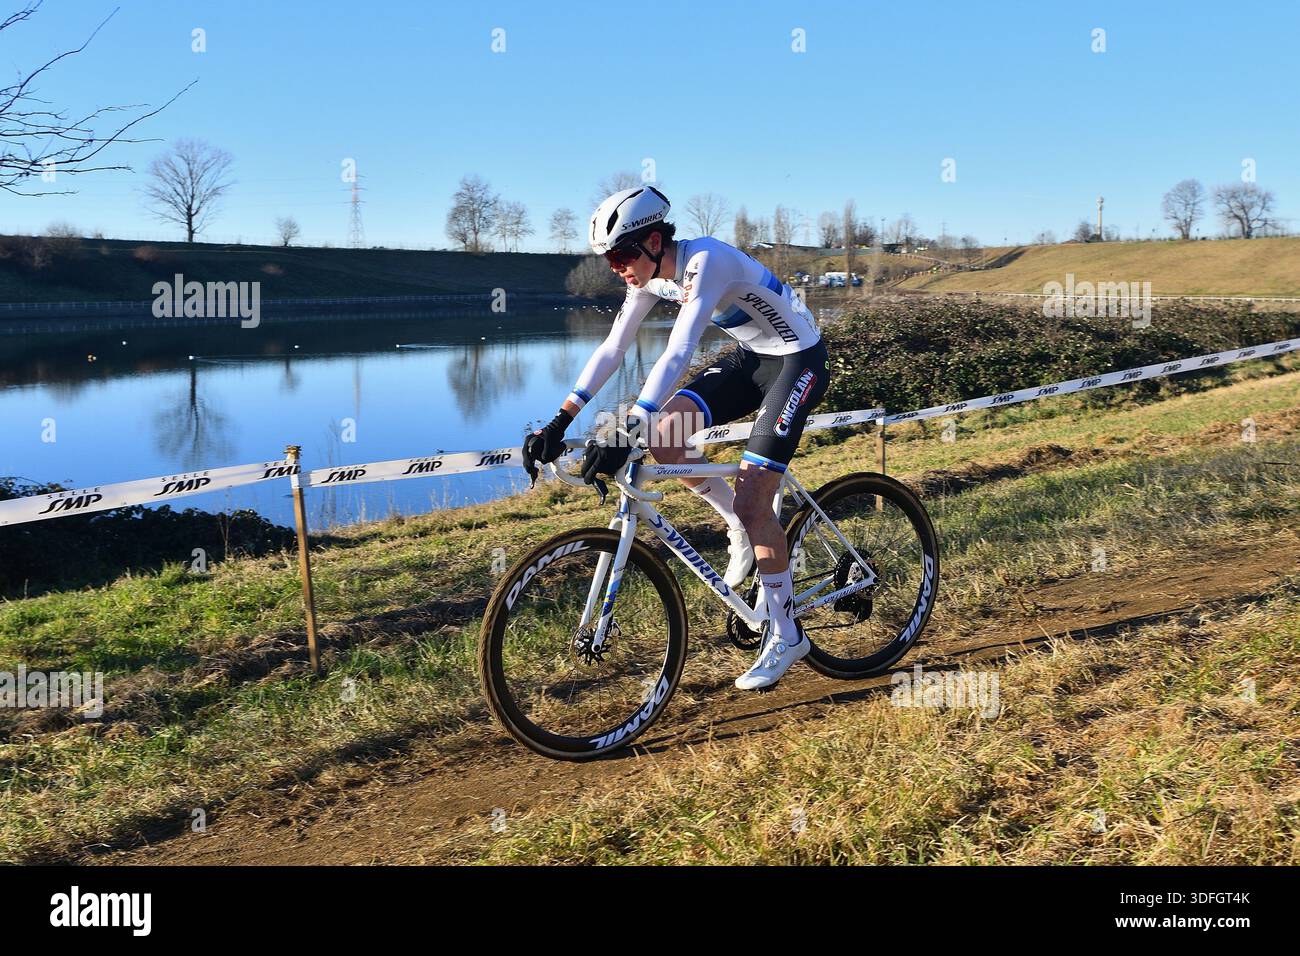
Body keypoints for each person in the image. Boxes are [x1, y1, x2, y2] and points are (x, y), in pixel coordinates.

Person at [522, 185, 829, 689]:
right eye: (609, 260)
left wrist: (629, 422)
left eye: (621, 255)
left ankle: (787, 632)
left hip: (798, 361)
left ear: (655, 241)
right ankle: (741, 527)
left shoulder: (705, 260)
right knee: (665, 437)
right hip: (752, 358)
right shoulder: (646, 278)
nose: (617, 267)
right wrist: (561, 418)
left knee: (755, 497)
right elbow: (613, 347)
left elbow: (679, 349)